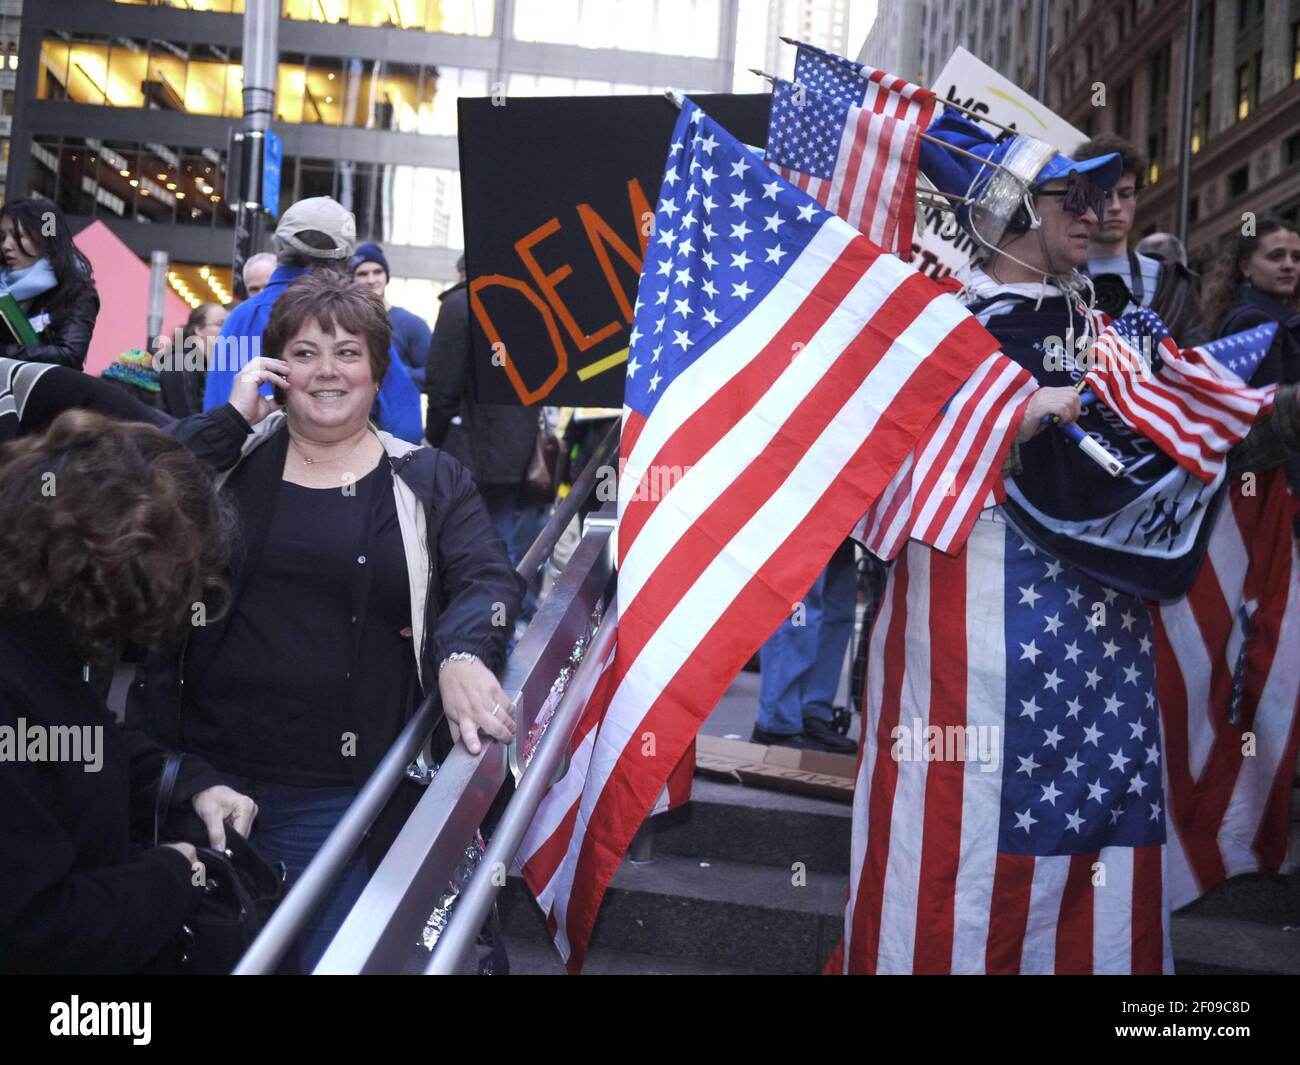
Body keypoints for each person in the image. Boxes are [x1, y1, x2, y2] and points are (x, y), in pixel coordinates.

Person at [832, 112, 1300, 975]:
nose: (1094, 213)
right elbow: (879, 465)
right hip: (975, 657)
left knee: (1099, 861)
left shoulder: (1112, 324)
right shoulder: (943, 328)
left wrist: (1268, 414)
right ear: (1012, 212)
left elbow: (1188, 428)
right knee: (967, 856)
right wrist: (1011, 420)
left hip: (1098, 658)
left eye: (1102, 197)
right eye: (1070, 198)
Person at [131, 270, 525, 972]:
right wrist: (229, 420)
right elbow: (132, 499)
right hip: (211, 779)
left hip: (347, 796)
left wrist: (462, 652)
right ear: (277, 367)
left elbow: (487, 576)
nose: (327, 370)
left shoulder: (428, 478)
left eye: (348, 352)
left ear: (378, 371)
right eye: (306, 352)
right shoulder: (226, 462)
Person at [0, 411, 258, 974]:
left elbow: (73, 744)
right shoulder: (22, 668)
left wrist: (187, 783)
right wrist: (170, 874)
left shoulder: (42, 636)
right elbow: (30, 926)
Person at [202, 197, 423, 444]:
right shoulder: (353, 317)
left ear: (279, 248)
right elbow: (406, 422)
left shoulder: (240, 317)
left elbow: (216, 411)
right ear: (344, 258)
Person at [425, 256, 539, 559]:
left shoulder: (459, 306)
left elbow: (441, 384)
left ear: (461, 273)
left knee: (455, 541)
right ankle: (505, 604)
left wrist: (435, 435)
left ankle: (474, 604)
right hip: (517, 449)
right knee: (501, 538)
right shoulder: (531, 300)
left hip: (467, 447)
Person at [1073, 136, 1204, 345]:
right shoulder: (1056, 277)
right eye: (1104, 195)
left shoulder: (1173, 283)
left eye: (1125, 194)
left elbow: (1194, 362)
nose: (1115, 206)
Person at [1203, 216, 1300, 489]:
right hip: (1274, 486)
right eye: (1276, 256)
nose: (1289, 265)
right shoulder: (1256, 323)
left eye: (1296, 257)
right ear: (1246, 266)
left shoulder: (1270, 317)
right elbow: (1267, 419)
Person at [752, 540, 858, 754]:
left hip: (851, 514)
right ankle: (778, 721)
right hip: (814, 509)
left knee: (836, 611)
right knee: (802, 610)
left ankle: (812, 712)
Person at [0, 198, 99, 370]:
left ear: (46, 240)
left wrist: (5, 352)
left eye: (18, 236)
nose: (6, 245)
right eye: (2, 237)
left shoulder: (75, 290)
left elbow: (69, 355)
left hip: (44, 392)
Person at [351, 242, 432, 390]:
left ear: (386, 276)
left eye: (377, 272)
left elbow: (434, 375)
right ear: (352, 280)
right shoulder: (345, 323)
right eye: (362, 274)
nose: (371, 280)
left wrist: (395, 374)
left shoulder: (411, 324)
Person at [158, 301, 228, 418]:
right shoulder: (181, 362)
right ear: (199, 330)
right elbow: (187, 419)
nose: (228, 329)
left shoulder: (203, 364)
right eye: (221, 324)